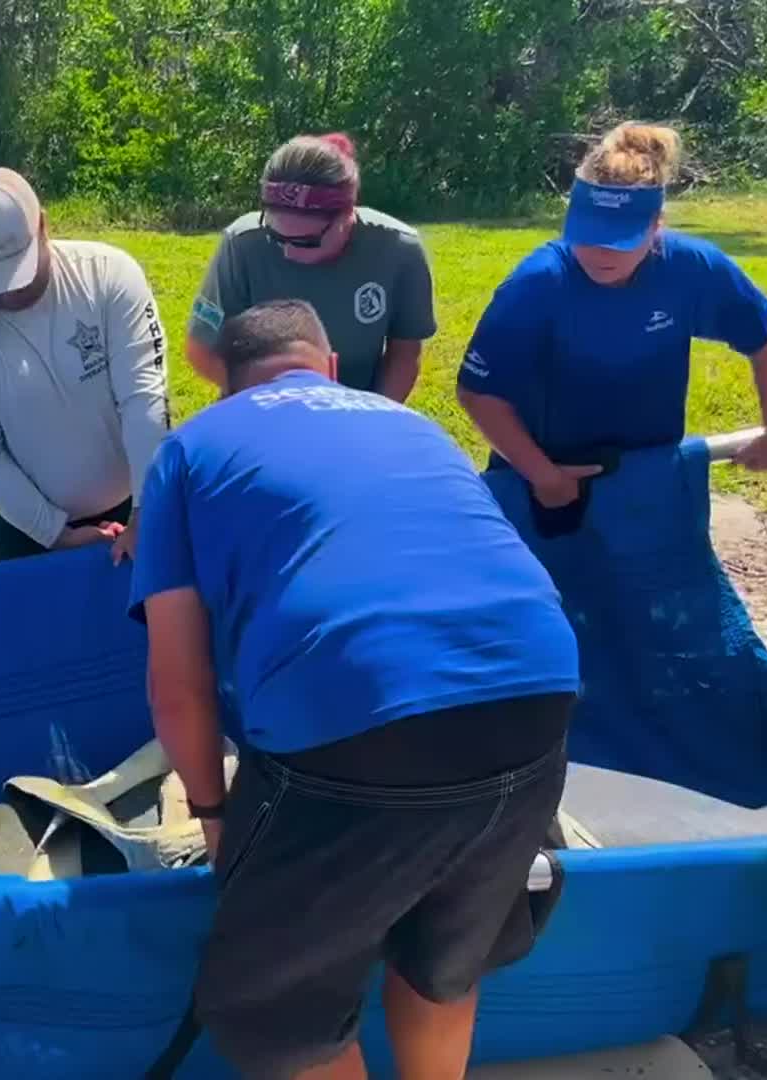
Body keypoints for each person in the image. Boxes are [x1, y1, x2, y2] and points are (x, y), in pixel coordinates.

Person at [129, 299, 580, 1080]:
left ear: (227, 386)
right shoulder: (414, 425)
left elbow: (177, 684)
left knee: (276, 1011)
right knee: (443, 962)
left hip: (359, 723)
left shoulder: (191, 449)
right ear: (330, 368)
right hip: (536, 695)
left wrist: (214, 816)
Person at [455, 122, 767, 511]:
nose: (601, 252)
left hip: (651, 475)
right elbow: (478, 392)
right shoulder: (539, 284)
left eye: (620, 240)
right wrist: (543, 475)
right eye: (588, 234)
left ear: (656, 225)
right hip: (545, 479)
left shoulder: (690, 268)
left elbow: (763, 333)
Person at [0, 167, 171, 565]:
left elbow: (144, 401)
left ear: (44, 227)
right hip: (15, 529)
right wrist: (55, 534)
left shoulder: (110, 276)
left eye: (18, 268)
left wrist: (146, 511)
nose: (8, 290)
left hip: (134, 507)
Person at [184, 134, 437, 402]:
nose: (287, 251)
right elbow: (202, 350)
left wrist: (368, 416)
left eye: (306, 241)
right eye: (276, 236)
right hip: (260, 408)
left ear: (347, 213)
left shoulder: (398, 249)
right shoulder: (243, 243)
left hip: (357, 409)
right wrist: (282, 407)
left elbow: (404, 354)